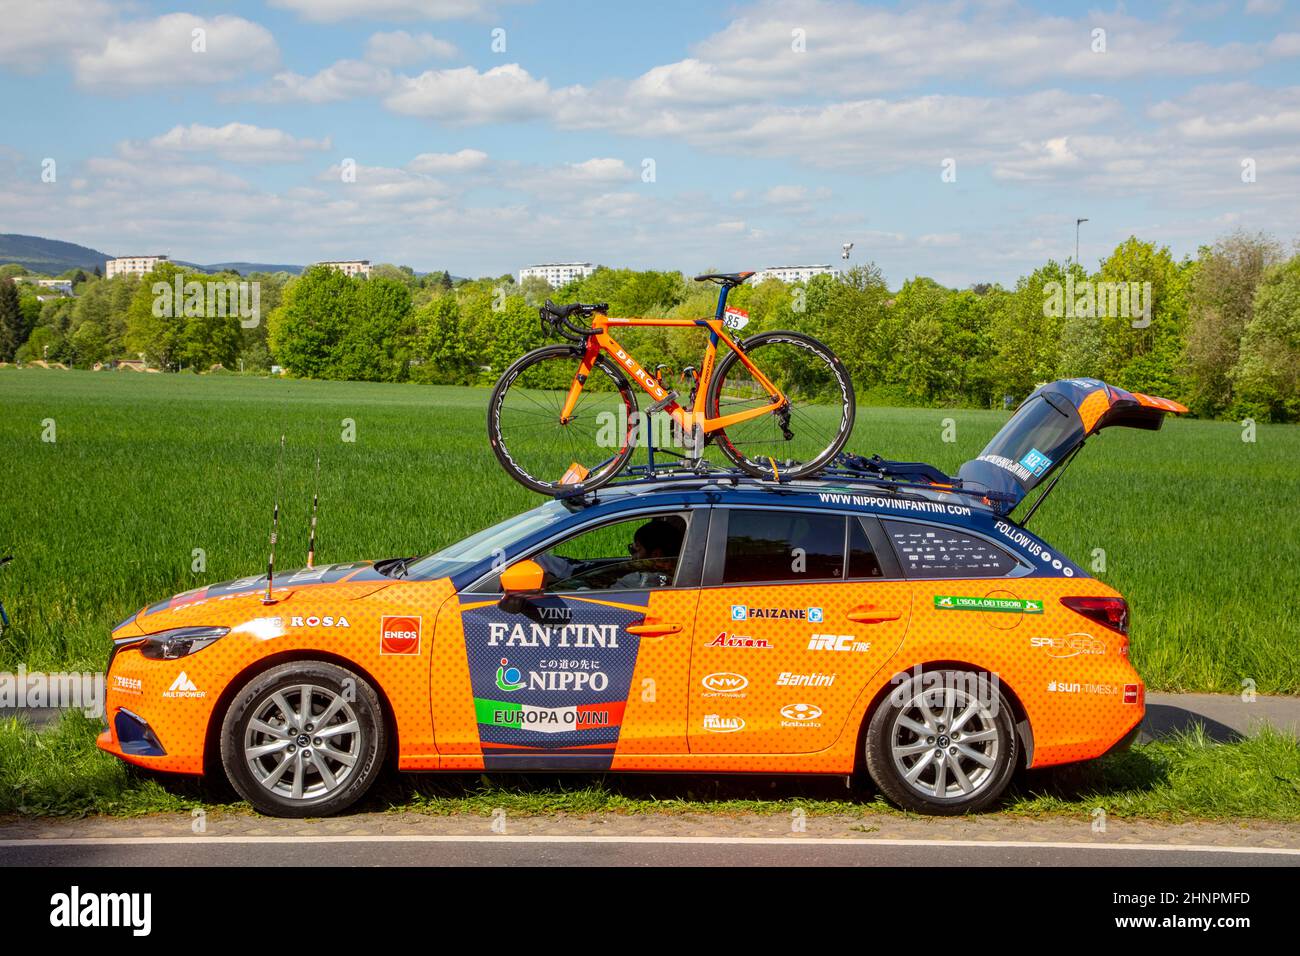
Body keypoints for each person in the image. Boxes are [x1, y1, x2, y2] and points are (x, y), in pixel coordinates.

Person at [533, 518, 684, 591]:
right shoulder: (678, 576)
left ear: (656, 555)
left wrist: (580, 589)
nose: (632, 556)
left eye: (635, 550)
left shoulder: (640, 581)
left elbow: (590, 601)